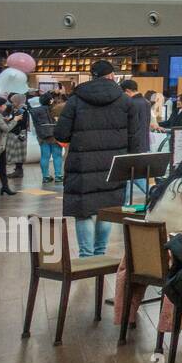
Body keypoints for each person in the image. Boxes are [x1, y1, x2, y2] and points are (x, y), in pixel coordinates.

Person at [114, 153, 182, 334]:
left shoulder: (166, 185)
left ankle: (128, 318)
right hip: (169, 257)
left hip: (142, 256)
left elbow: (170, 213)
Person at [54, 60, 146, 257]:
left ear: (93, 76)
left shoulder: (76, 100)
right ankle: (100, 253)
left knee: (84, 211)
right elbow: (135, 140)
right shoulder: (125, 101)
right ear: (112, 76)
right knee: (107, 208)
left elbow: (61, 134)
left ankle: (86, 256)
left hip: (82, 165)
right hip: (113, 166)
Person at [27, 92, 60, 185]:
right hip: (55, 136)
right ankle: (58, 176)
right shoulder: (55, 109)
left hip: (42, 136)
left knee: (44, 156)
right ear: (50, 100)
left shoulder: (34, 111)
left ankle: (45, 177)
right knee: (57, 156)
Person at [119, 79, 151, 152]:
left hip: (133, 144)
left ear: (127, 91)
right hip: (144, 143)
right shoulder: (146, 102)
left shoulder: (131, 103)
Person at [3, 93, 29, 180]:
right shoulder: (17, 109)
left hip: (18, 134)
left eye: (14, 101)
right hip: (17, 133)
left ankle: (19, 171)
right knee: (17, 153)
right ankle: (18, 170)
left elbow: (21, 122)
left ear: (18, 101)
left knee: (18, 153)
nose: (12, 103)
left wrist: (10, 121)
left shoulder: (22, 110)